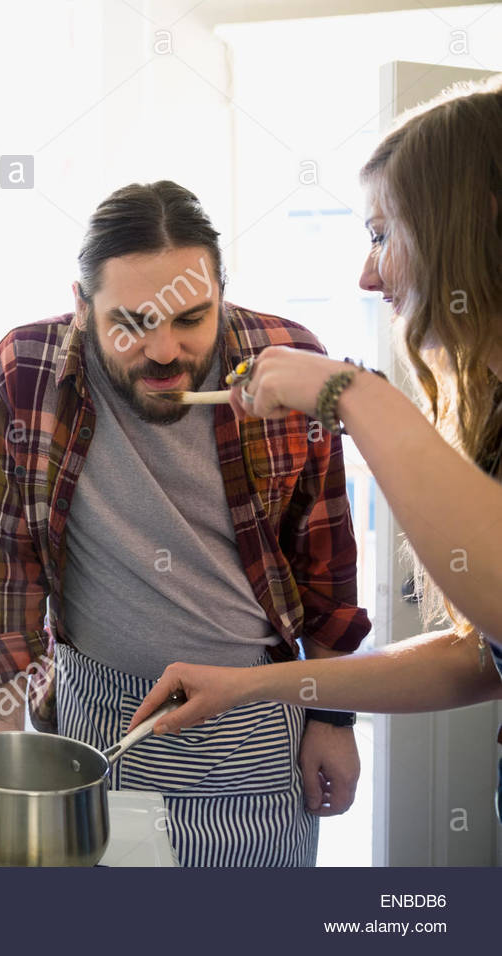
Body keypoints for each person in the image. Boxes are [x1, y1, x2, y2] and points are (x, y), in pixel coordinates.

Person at [0, 180, 371, 866]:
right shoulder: (23, 372)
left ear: (222, 290)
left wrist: (333, 717)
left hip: (255, 719)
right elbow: (5, 565)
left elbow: (326, 566)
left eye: (191, 318)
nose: (164, 351)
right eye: (131, 324)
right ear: (80, 305)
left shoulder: (289, 361)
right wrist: (1, 729)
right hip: (94, 714)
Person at [128, 77, 502, 822]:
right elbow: (479, 656)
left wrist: (352, 395)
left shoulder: (335, 381)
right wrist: (254, 686)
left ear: (479, 220)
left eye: (382, 234)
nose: (367, 276)